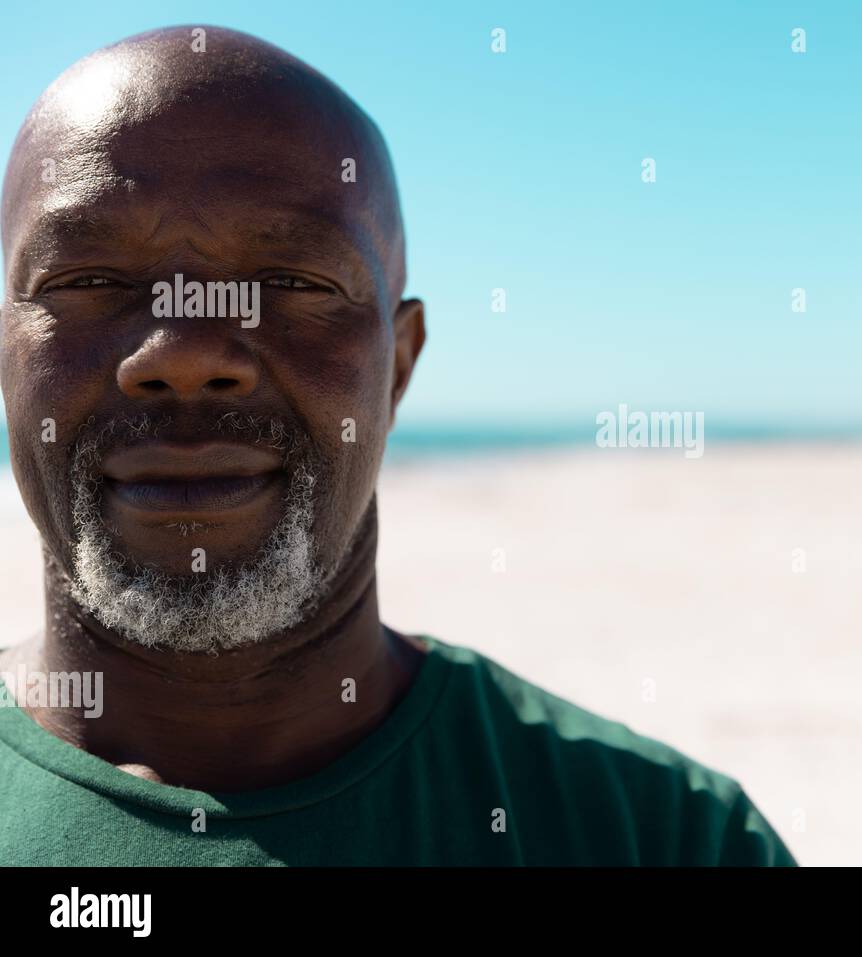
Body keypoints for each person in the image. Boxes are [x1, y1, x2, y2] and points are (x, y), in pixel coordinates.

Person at [0, 25, 796, 866]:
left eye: (292, 282)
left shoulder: (666, 836)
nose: (187, 351)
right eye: (88, 280)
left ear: (399, 364)